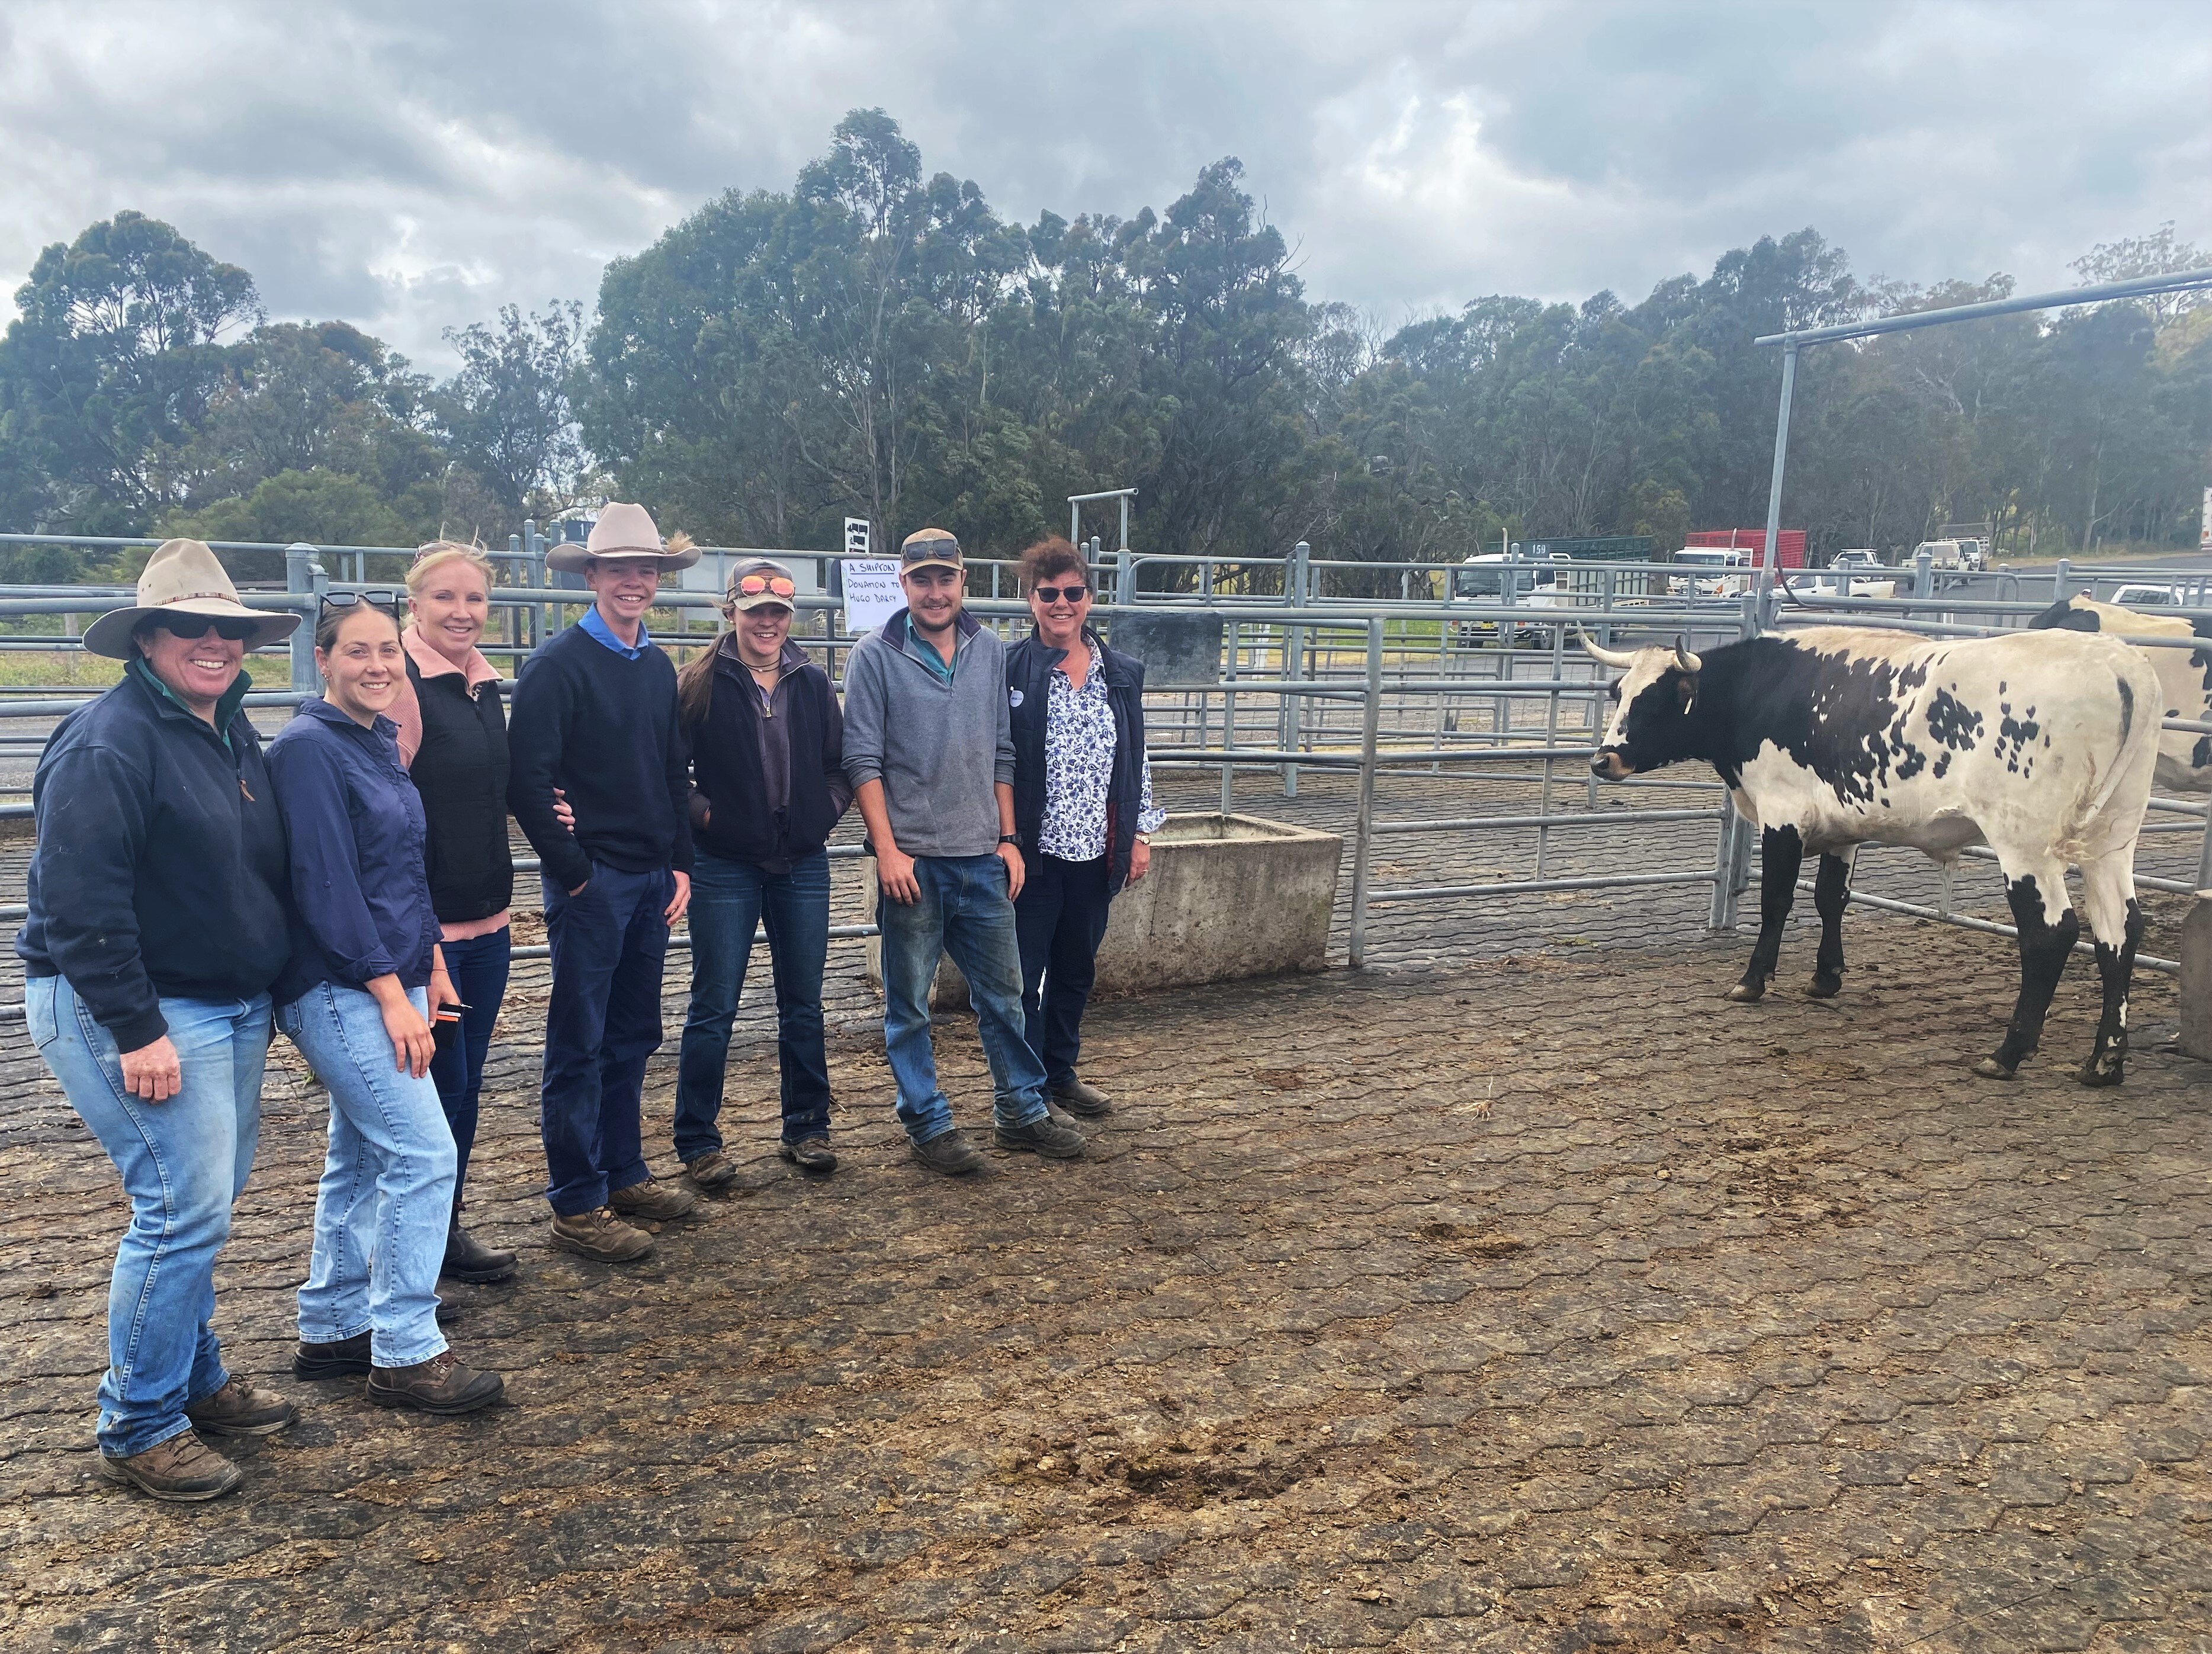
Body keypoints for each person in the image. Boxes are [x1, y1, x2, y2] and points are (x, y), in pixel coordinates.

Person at [17, 539, 301, 1501]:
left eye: (229, 627)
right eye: (192, 625)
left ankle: (193, 1372)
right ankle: (138, 1419)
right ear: (148, 637)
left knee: (205, 1201)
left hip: (222, 999)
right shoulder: (110, 741)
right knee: (181, 1207)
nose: (214, 642)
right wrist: (136, 1027)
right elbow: (77, 901)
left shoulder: (227, 729)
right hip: (132, 1001)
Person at [270, 595, 505, 1415]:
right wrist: (388, 992)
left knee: (364, 1156)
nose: (377, 666)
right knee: (421, 1154)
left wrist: (430, 968)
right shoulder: (307, 750)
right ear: (323, 660)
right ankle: (405, 1348)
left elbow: (402, 871)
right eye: (357, 652)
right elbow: (326, 886)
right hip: (340, 986)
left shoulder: (374, 742)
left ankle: (333, 1324)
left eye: (387, 653)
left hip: (390, 976)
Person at [842, 528, 1086, 1174]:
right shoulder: (874, 655)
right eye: (921, 580)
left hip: (981, 856)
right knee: (909, 1003)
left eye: (944, 578)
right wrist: (887, 851)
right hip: (913, 864)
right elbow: (861, 758)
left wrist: (1008, 840)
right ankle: (927, 1120)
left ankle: (1020, 1110)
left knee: (1005, 996)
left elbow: (1002, 750)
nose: (934, 591)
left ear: (963, 583)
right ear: (904, 585)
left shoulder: (989, 651)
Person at [506, 503, 698, 1261]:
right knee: (579, 1040)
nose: (634, 582)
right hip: (596, 883)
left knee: (632, 1033)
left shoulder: (654, 667)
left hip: (648, 877)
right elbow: (529, 782)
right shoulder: (556, 667)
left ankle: (624, 1171)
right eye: (619, 569)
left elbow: (671, 770)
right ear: (591, 577)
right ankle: (577, 1198)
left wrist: (679, 861)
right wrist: (575, 872)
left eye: (645, 570)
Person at [673, 558, 852, 1183]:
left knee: (803, 1000)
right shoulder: (697, 683)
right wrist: (710, 820)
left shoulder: (811, 682)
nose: (767, 623)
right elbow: (676, 774)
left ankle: (807, 1126)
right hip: (724, 862)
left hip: (801, 860)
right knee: (714, 1002)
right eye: (755, 613)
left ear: (789, 618)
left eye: (778, 613)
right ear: (732, 615)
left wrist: (820, 817)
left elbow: (838, 766)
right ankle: (698, 1140)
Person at [387, 542, 519, 1286]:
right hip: (430, 935)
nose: (462, 612)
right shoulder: (402, 684)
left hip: (488, 921)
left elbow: (489, 785)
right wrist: (424, 938)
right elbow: (388, 814)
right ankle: (409, 1260)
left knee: (463, 1091)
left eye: (474, 600)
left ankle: (445, 1229)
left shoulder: (479, 685)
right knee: (430, 1099)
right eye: (445, 598)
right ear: (416, 604)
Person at [1006, 537, 1166, 1115]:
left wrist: (1140, 834)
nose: (1061, 604)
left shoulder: (1120, 675)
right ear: (1031, 600)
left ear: (1090, 599)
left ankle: (1061, 1073)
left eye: (1072, 592)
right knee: (1023, 978)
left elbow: (1136, 756)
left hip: (1097, 849)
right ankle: (1024, 1088)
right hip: (1035, 851)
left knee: (1076, 968)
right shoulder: (1010, 669)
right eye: (1048, 594)